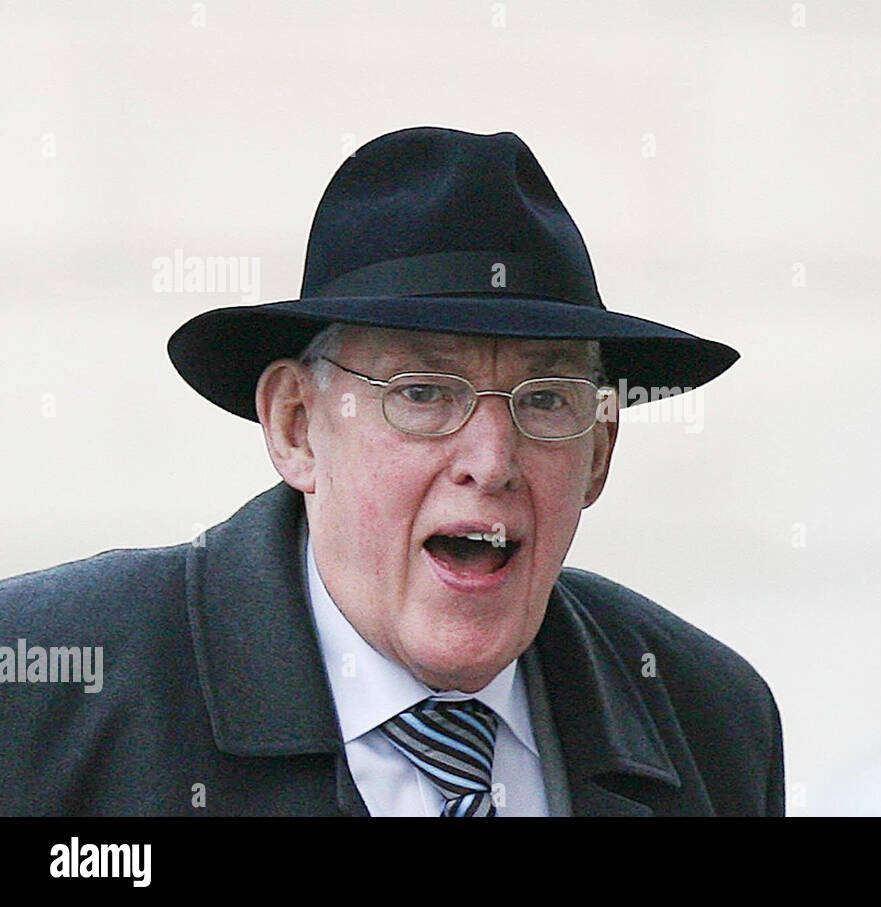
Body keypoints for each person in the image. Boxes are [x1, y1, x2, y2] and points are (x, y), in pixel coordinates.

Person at [0, 126, 784, 816]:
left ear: (600, 451)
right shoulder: (47, 685)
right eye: (422, 393)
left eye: (544, 401)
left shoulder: (709, 717)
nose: (491, 461)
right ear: (297, 426)